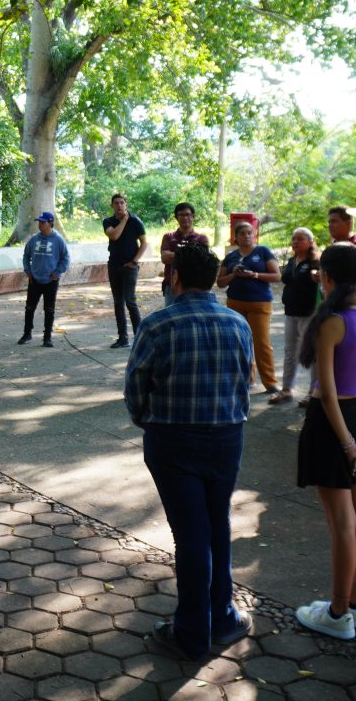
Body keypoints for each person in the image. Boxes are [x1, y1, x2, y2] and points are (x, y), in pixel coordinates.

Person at [124, 244, 253, 660]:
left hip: (173, 440)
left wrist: (150, 420)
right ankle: (223, 616)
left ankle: (192, 633)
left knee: (191, 536)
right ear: (214, 277)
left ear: (175, 277)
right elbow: (244, 384)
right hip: (227, 437)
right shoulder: (237, 323)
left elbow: (136, 390)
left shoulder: (158, 325)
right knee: (217, 526)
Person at [291, 244, 356, 640]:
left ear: (326, 277)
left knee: (342, 524)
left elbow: (327, 393)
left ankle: (337, 611)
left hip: (334, 427)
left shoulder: (333, 322)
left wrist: (346, 444)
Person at [217, 221, 281, 394]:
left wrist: (255, 275)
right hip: (235, 303)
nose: (246, 236)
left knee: (262, 343)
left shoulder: (263, 251)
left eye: (249, 233)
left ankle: (270, 381)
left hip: (259, 303)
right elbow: (220, 282)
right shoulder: (231, 256)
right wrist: (233, 274)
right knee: (240, 343)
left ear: (254, 235)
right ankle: (246, 379)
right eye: (242, 234)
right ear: (236, 237)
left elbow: (276, 276)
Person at [277, 228, 321, 405]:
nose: (295, 241)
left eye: (300, 239)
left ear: (310, 242)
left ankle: (313, 392)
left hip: (308, 313)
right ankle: (286, 389)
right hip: (290, 312)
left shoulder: (315, 262)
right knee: (290, 351)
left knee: (312, 353)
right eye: (293, 238)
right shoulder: (291, 261)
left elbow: (322, 283)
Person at [102, 193, 147, 348]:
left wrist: (135, 261)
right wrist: (124, 220)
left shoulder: (135, 221)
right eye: (116, 203)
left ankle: (140, 337)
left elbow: (144, 243)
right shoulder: (108, 221)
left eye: (122, 203)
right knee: (118, 302)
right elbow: (114, 236)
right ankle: (123, 338)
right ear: (112, 206)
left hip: (130, 266)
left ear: (126, 204)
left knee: (130, 301)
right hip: (114, 265)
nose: (119, 205)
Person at [19, 211, 70, 347]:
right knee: (29, 307)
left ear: (50, 223)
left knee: (49, 309)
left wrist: (58, 272)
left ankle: (47, 337)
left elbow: (66, 258)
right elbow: (26, 256)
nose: (40, 224)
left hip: (51, 281)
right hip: (35, 279)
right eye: (39, 222)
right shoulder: (34, 239)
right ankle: (27, 333)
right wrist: (28, 271)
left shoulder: (58, 240)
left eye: (43, 222)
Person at [159, 203, 210, 306]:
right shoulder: (168, 237)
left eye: (188, 214)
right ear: (176, 218)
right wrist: (192, 254)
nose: (185, 218)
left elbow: (203, 261)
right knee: (172, 317)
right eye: (181, 215)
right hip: (173, 284)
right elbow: (164, 258)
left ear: (193, 217)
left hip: (195, 285)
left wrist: (175, 255)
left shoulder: (201, 238)